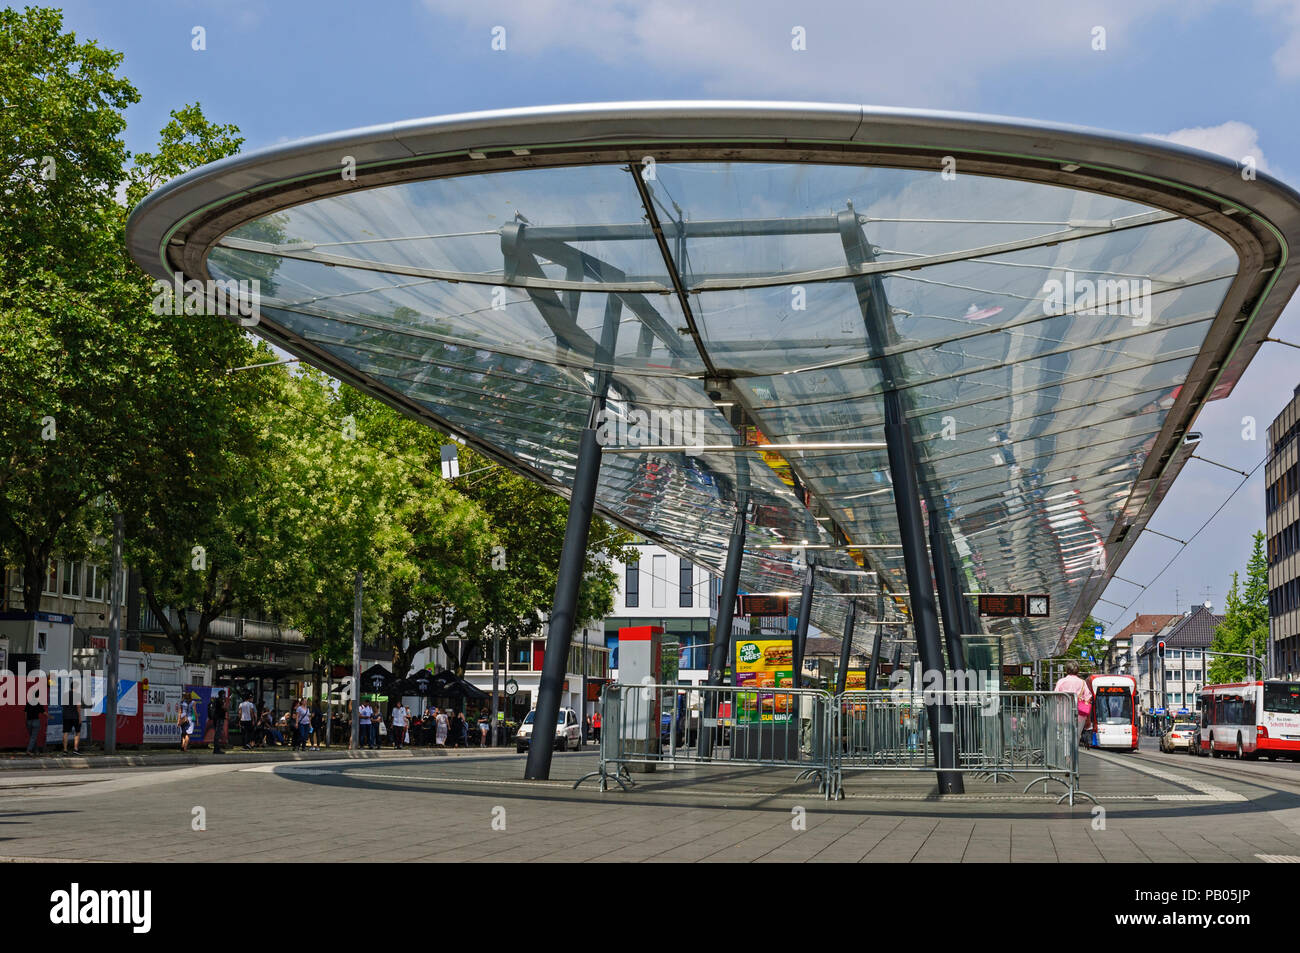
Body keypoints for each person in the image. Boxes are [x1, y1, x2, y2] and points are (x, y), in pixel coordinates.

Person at [1054, 660, 1093, 745]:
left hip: (1063, 713)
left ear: (1066, 670)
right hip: (1079, 714)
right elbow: (1088, 699)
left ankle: (1066, 756)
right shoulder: (1082, 682)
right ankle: (1073, 756)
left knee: (1065, 736)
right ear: (1077, 670)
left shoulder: (1061, 681)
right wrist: (1088, 719)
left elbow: (1055, 697)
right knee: (1076, 736)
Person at [209, 689, 228, 754]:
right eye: (224, 694)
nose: (225, 696)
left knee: (217, 734)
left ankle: (216, 749)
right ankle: (216, 749)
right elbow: (224, 708)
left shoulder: (216, 700)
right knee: (218, 734)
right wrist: (226, 704)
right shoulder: (221, 700)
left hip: (215, 718)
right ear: (222, 695)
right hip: (219, 719)